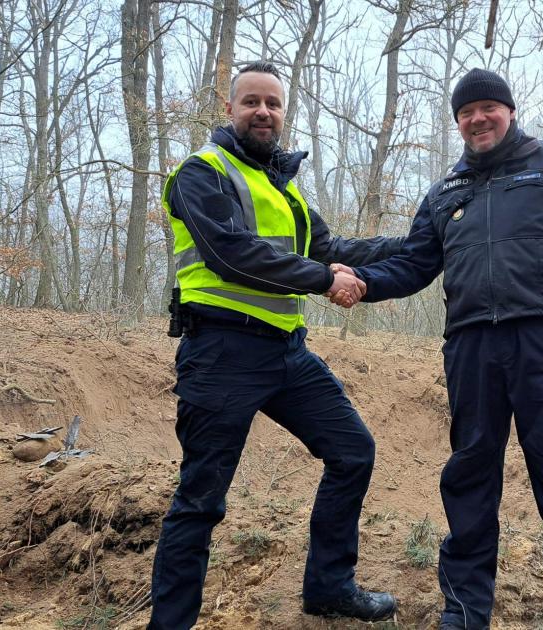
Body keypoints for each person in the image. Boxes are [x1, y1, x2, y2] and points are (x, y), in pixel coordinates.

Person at [335, 68, 543, 630]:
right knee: (469, 475)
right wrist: (362, 284)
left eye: (489, 107)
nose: (478, 119)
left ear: (509, 111)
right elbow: (413, 263)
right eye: (467, 112)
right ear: (458, 122)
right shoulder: (445, 192)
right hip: (470, 349)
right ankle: (464, 611)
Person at [149, 61, 401, 629]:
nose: (264, 111)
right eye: (252, 102)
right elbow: (232, 252)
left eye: (274, 104)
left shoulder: (281, 186)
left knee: (352, 452)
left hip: (286, 354)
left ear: (284, 114)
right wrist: (323, 279)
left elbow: (332, 245)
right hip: (219, 354)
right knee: (201, 501)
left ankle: (329, 589)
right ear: (231, 110)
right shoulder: (202, 172)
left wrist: (420, 244)